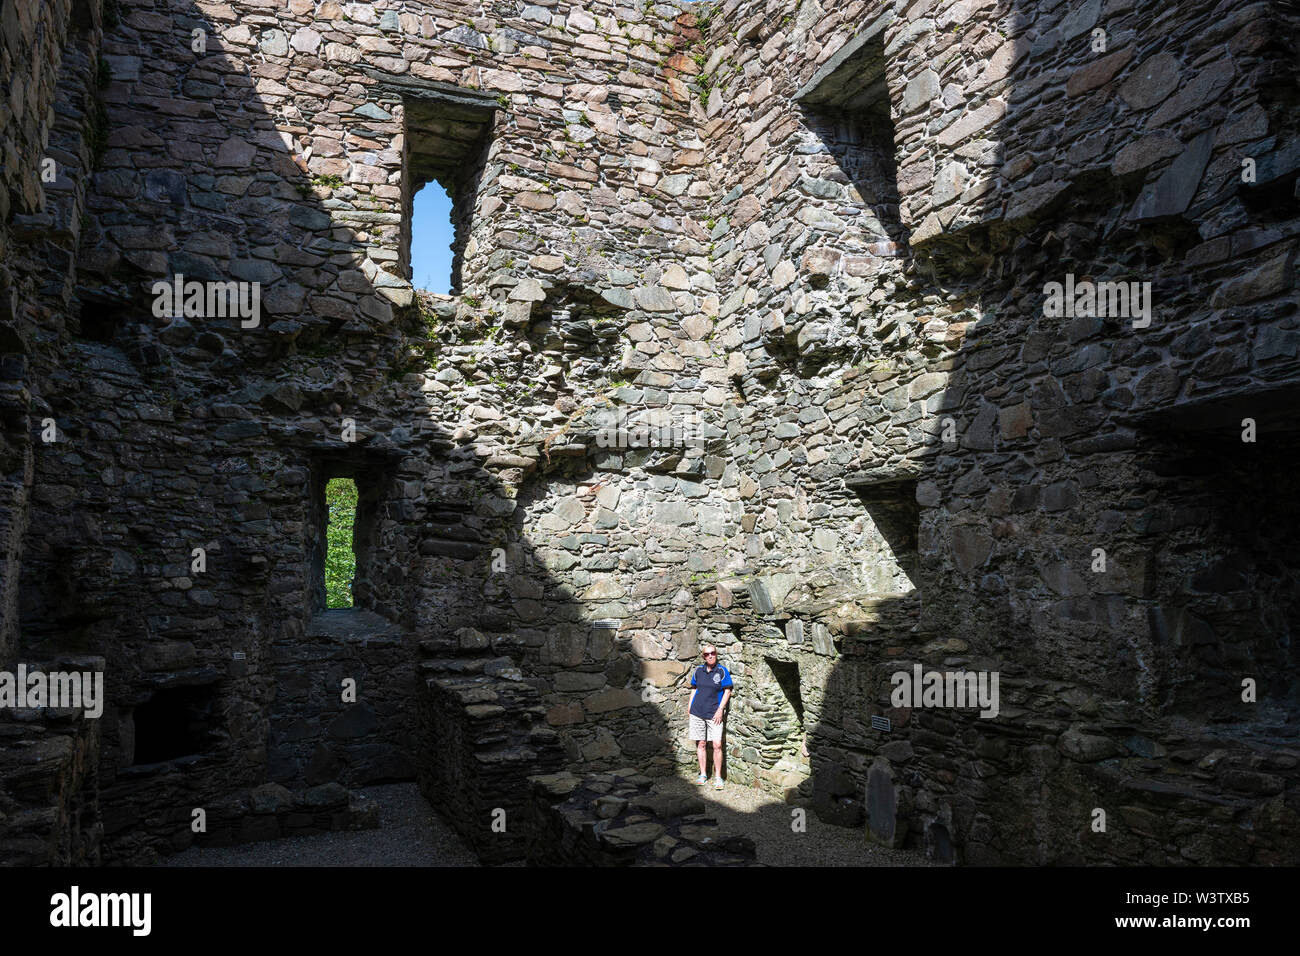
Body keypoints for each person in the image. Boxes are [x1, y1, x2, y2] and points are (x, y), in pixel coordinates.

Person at [687, 644, 733, 790]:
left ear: (716, 654)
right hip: (697, 712)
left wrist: (721, 710)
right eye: (707, 654)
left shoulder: (722, 671)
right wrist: (689, 706)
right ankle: (703, 774)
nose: (710, 656)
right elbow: (694, 688)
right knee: (701, 743)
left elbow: (727, 691)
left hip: (715, 714)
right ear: (703, 657)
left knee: (717, 745)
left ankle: (718, 776)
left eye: (712, 653)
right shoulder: (698, 671)